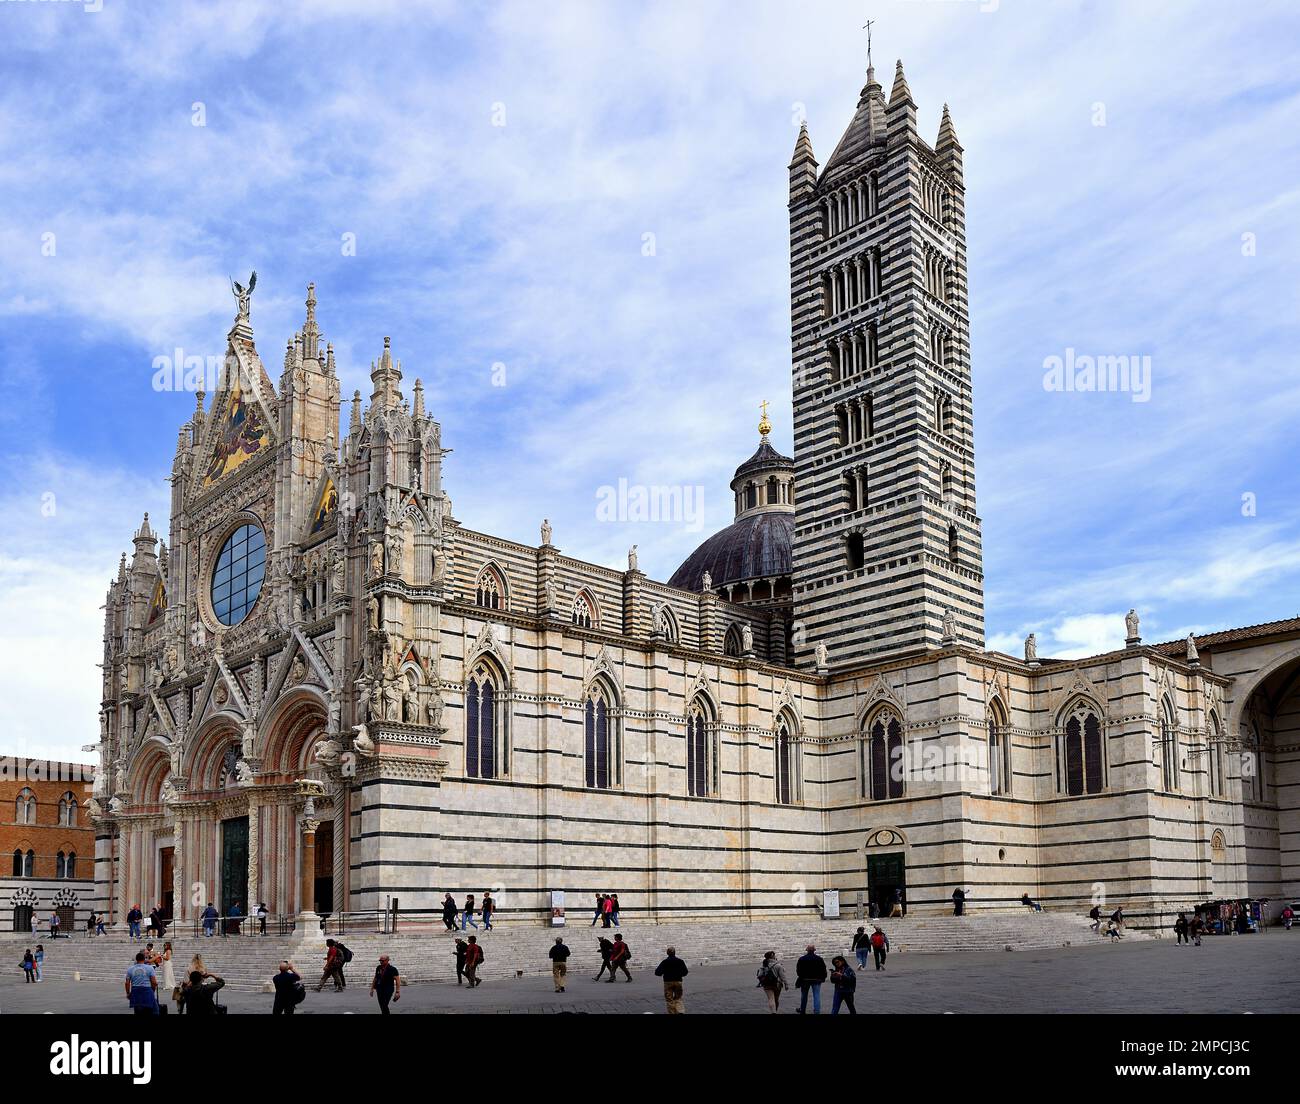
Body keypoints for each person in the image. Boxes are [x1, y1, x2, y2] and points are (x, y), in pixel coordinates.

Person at [654, 946, 688, 1013]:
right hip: (678, 981)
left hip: (668, 982)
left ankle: (672, 1012)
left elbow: (657, 972)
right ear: (675, 953)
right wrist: (680, 974)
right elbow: (685, 972)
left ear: (667, 953)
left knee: (669, 999)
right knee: (678, 998)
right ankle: (680, 1011)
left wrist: (663, 973)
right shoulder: (680, 961)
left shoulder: (665, 962)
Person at [125, 950, 159, 1015]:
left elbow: (127, 983)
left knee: (138, 1010)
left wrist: (128, 993)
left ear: (136, 959)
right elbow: (154, 982)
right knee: (154, 1010)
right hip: (147, 990)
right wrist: (153, 990)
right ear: (144, 959)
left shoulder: (130, 969)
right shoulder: (150, 968)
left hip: (135, 991)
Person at [795, 945, 826, 1014]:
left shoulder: (802, 959)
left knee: (804, 996)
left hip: (805, 980)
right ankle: (817, 1011)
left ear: (807, 950)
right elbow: (823, 969)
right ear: (814, 950)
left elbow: (798, 970)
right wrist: (823, 978)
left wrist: (801, 977)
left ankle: (802, 1010)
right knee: (816, 996)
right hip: (817, 980)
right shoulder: (819, 959)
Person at [160, 942, 176, 1008]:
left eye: (165, 945)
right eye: (164, 945)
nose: (164, 946)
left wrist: (161, 956)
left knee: (167, 974)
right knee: (166, 974)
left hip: (167, 963)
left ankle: (168, 985)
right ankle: (167, 984)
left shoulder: (168, 951)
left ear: (168, 946)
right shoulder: (166, 951)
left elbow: (167, 958)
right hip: (165, 963)